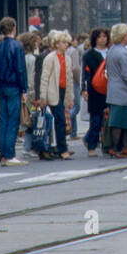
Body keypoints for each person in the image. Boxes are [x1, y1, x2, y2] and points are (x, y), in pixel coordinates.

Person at [0, 17, 29, 166]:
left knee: (4, 121)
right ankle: (10, 154)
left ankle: (4, 155)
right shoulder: (17, 46)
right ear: (14, 28)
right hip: (13, 86)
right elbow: (20, 69)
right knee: (13, 121)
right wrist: (23, 89)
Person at [36, 31, 74, 159]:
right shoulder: (50, 58)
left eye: (67, 43)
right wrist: (43, 96)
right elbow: (44, 78)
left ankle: (57, 146)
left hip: (63, 91)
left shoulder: (67, 58)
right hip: (53, 91)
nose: (66, 45)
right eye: (64, 43)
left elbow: (70, 78)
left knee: (59, 121)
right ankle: (62, 148)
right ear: (57, 44)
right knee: (60, 121)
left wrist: (71, 97)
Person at [104, 24, 127, 158]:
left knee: (125, 122)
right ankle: (116, 148)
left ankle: (124, 147)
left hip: (115, 90)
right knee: (119, 123)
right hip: (123, 92)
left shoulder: (112, 50)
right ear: (124, 36)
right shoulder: (123, 53)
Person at [82, 29, 108, 156]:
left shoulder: (110, 52)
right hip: (94, 89)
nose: (103, 39)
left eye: (104, 36)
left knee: (106, 119)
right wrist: (84, 89)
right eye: (100, 37)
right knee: (96, 119)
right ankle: (91, 145)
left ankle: (103, 143)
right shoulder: (89, 54)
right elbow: (85, 73)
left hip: (109, 89)